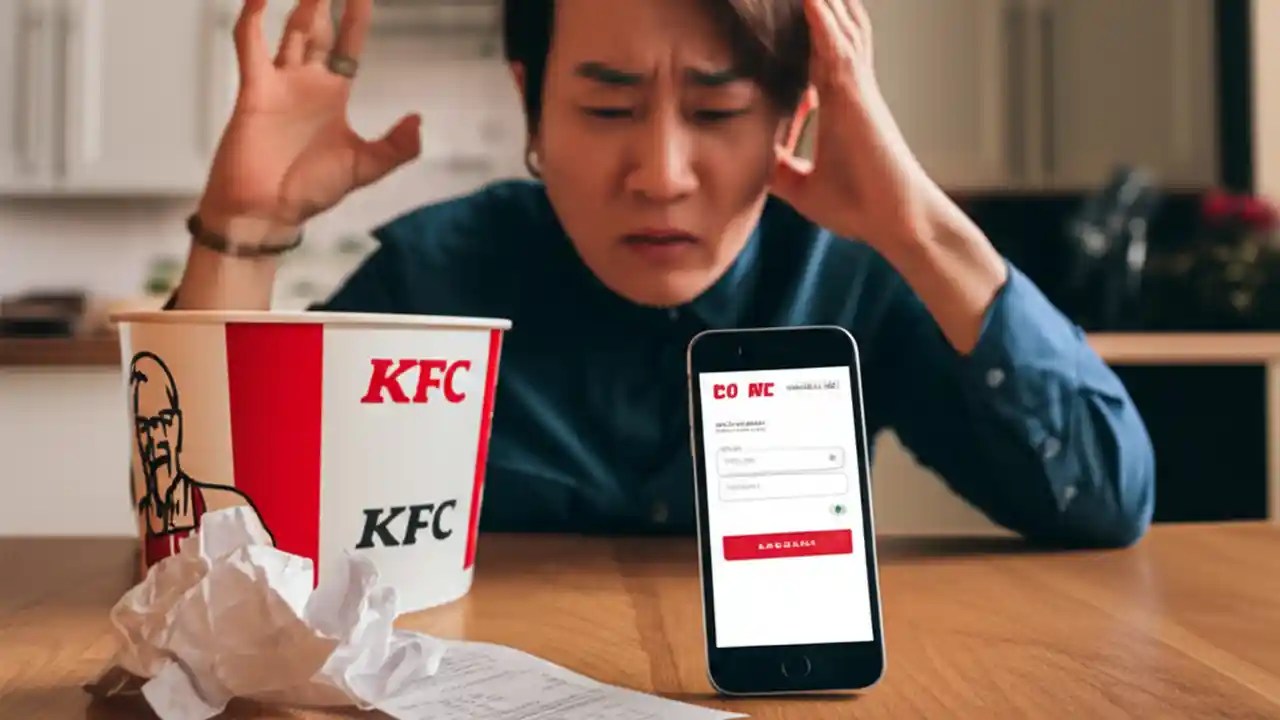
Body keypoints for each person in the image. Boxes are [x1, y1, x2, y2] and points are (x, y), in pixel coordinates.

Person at [170, 0, 1155, 547]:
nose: (660, 176)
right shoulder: (435, 280)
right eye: (605, 110)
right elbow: (202, 541)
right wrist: (240, 231)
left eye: (718, 113)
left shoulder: (854, 282)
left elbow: (1103, 502)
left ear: (791, 116)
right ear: (532, 108)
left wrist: (919, 227)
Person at [130, 352, 274, 564]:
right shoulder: (144, 517)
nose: (156, 437)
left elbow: (271, 574)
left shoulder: (228, 507)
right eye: (145, 426)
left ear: (177, 426)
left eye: (164, 421)